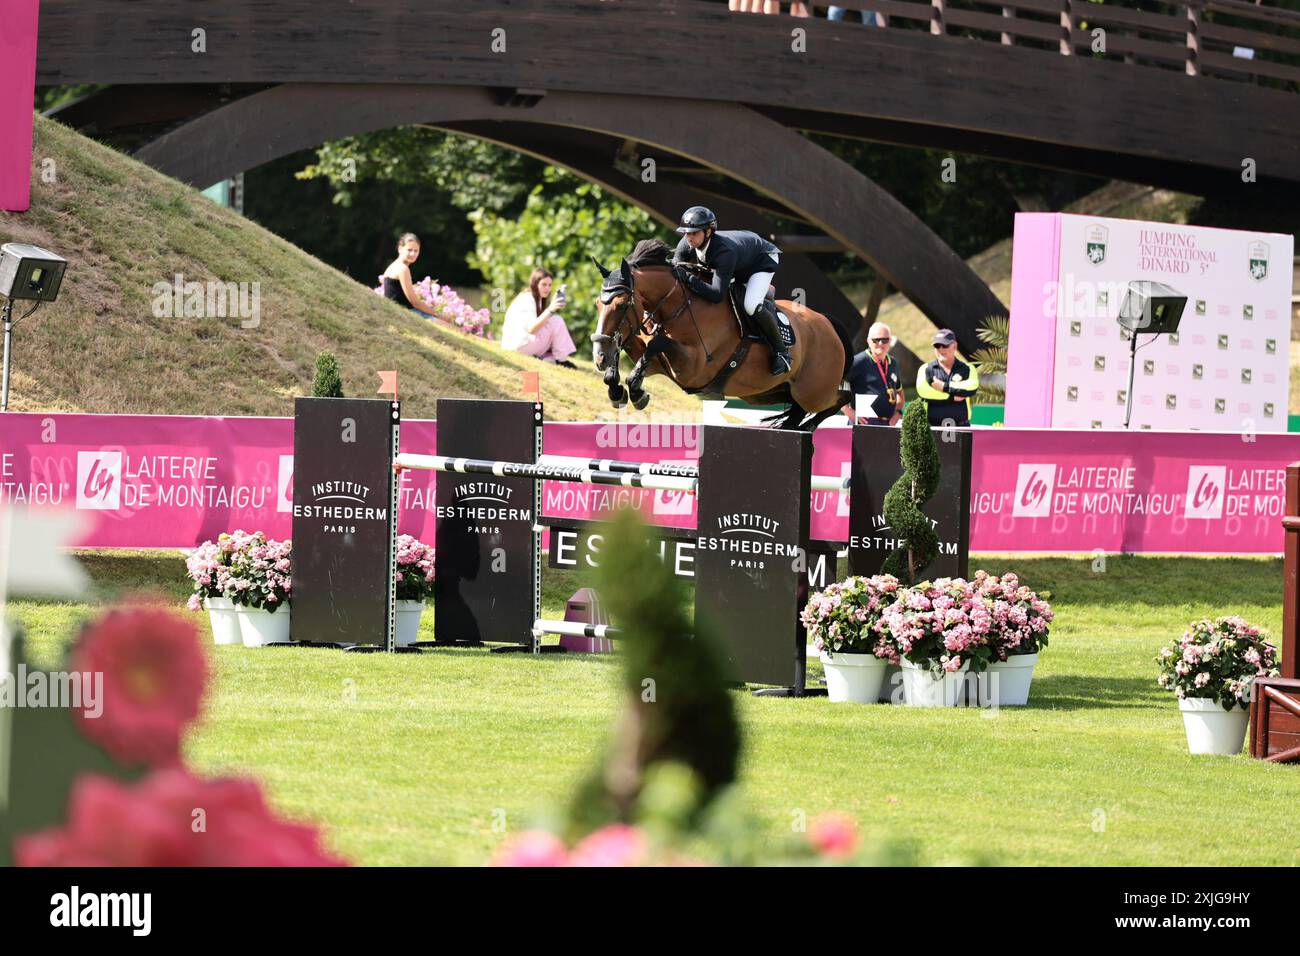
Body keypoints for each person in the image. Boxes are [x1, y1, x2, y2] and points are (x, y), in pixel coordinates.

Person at [670, 205, 791, 375]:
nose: (689, 237)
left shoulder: (724, 252)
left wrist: (690, 279)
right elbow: (675, 268)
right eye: (686, 233)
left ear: (708, 232)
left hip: (761, 260)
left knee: (750, 305)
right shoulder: (686, 243)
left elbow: (717, 295)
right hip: (740, 258)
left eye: (694, 233)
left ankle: (782, 352)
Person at [501, 267, 578, 368]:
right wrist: (550, 309)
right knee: (556, 321)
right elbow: (531, 329)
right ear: (535, 284)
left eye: (550, 285)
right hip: (518, 346)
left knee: (552, 325)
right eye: (544, 284)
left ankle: (552, 359)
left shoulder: (537, 299)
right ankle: (561, 361)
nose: (547, 288)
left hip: (519, 345)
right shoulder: (528, 299)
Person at [916, 328, 980, 427]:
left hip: (961, 426)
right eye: (937, 346)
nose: (941, 349)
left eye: (945, 345)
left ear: (955, 346)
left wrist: (944, 387)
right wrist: (952, 396)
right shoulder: (925, 369)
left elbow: (971, 388)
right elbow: (923, 392)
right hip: (932, 427)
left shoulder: (968, 368)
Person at [843, 322, 903, 425]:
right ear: (868, 341)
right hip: (864, 424)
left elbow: (900, 393)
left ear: (890, 341)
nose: (880, 343)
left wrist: (898, 413)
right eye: (876, 340)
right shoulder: (858, 361)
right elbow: (837, 384)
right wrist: (848, 411)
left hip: (888, 424)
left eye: (885, 340)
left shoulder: (893, 363)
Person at [381, 233, 444, 318]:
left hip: (397, 312)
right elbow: (414, 302)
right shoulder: (403, 269)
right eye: (409, 250)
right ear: (400, 249)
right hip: (404, 314)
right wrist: (437, 315)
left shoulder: (392, 266)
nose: (413, 254)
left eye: (416, 251)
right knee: (446, 324)